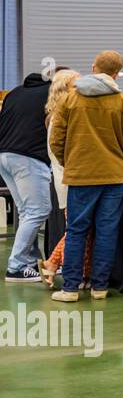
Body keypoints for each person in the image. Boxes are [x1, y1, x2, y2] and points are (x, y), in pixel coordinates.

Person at [48, 50, 123, 302]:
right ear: (117, 74)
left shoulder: (70, 100)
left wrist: (70, 162)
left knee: (77, 230)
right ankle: (99, 287)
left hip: (81, 176)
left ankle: (70, 288)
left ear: (93, 67)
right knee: (106, 231)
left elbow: (57, 139)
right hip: (114, 177)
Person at [0, 69, 52, 282]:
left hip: (4, 156)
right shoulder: (51, 92)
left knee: (25, 211)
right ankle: (16, 266)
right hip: (29, 157)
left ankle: (30, 261)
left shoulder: (14, 93)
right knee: (38, 211)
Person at [39, 68, 83, 287]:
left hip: (68, 178)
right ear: (64, 90)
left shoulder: (60, 115)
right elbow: (61, 153)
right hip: (68, 180)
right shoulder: (59, 118)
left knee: (75, 228)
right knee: (77, 229)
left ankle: (51, 264)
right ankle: (62, 268)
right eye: (76, 86)